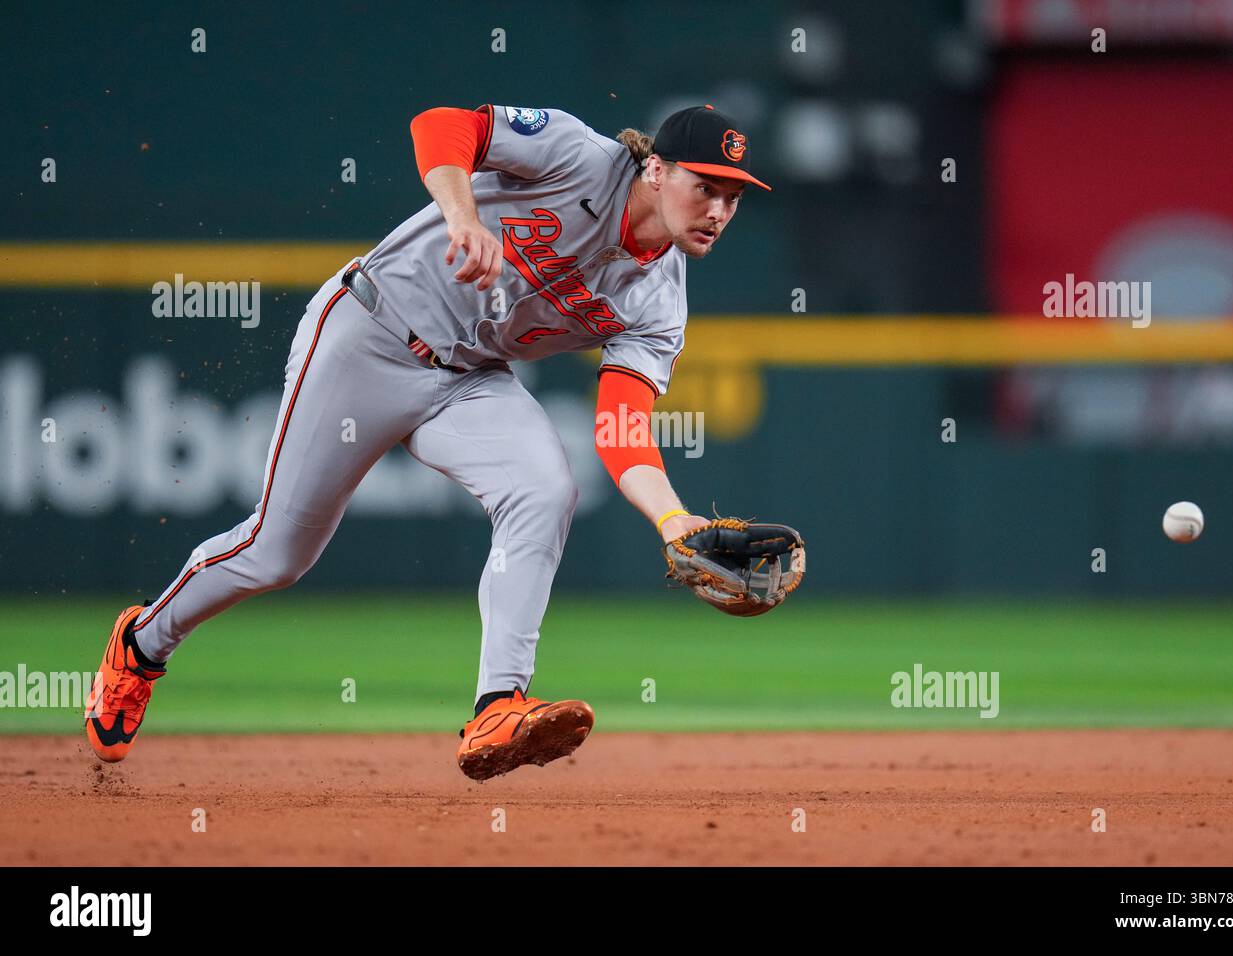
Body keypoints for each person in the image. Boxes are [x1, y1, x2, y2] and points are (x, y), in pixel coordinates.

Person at [85, 103, 770, 780]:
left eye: (732, 196)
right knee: (278, 552)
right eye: (704, 186)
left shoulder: (659, 304)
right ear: (654, 169)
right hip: (370, 336)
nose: (717, 210)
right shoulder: (579, 157)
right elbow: (441, 124)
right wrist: (463, 216)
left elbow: (622, 424)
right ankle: (142, 645)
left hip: (469, 381)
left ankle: (497, 706)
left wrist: (673, 519)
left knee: (545, 488)